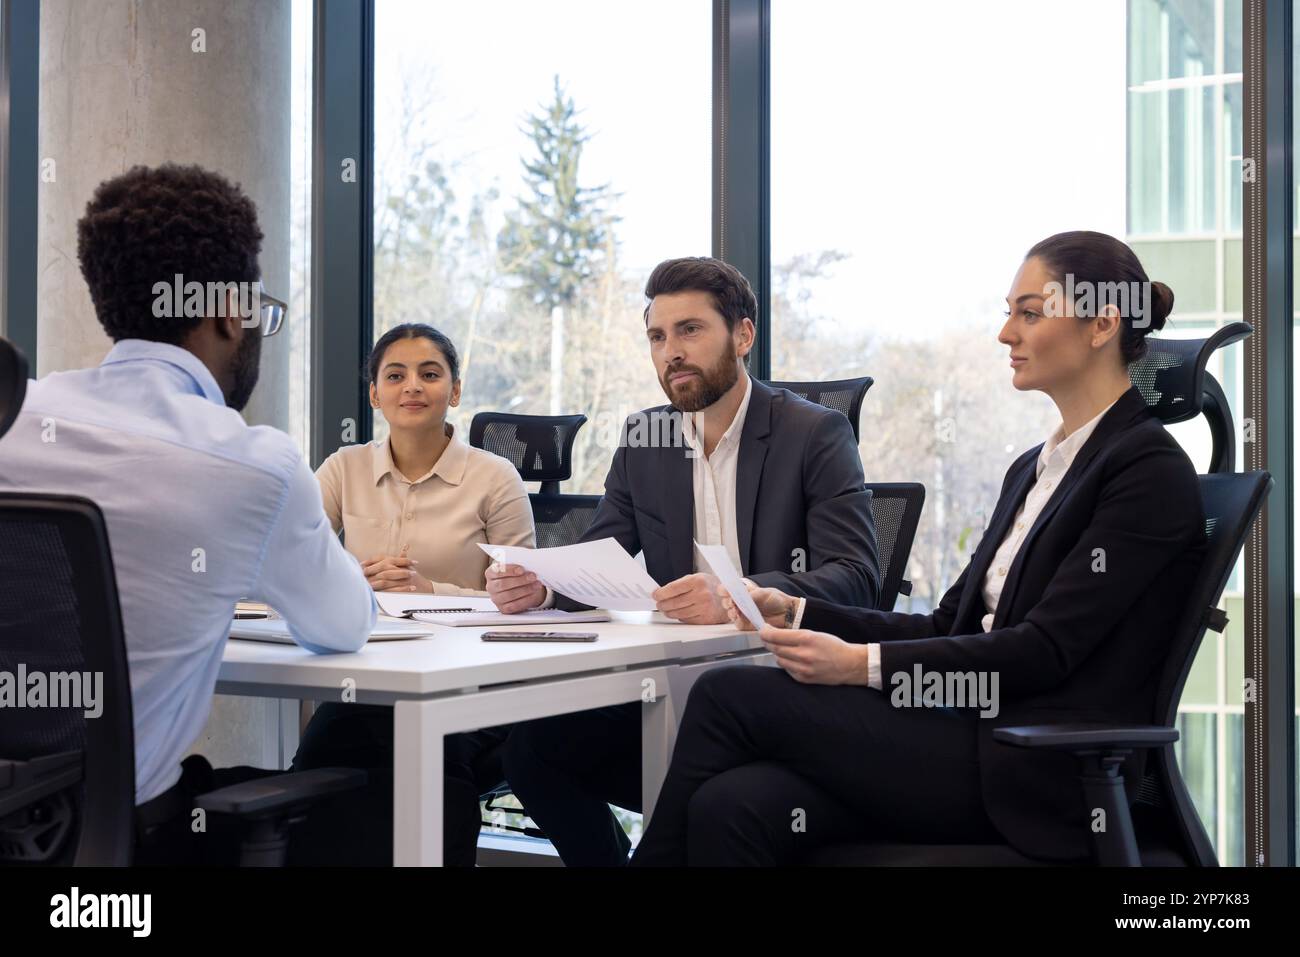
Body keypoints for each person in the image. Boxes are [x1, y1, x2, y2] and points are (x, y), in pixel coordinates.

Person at [630, 230, 1208, 866]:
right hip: (960, 735)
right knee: (733, 805)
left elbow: (1043, 652)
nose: (1006, 334)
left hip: (1030, 763)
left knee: (725, 693)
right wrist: (791, 610)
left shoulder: (1146, 470)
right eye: (1008, 313)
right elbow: (944, 623)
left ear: (1101, 324)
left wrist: (858, 665)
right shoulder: (1036, 469)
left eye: (1029, 313)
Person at [0, 164, 377, 865]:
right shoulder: (253, 463)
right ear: (231, 310)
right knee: (383, 798)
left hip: (28, 826)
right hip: (121, 846)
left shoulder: (15, 415)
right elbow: (344, 623)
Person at [488, 256, 882, 865]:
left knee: (710, 799)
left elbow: (856, 580)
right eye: (657, 336)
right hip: (671, 686)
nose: (671, 351)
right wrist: (541, 588)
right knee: (532, 751)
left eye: (690, 330)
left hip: (780, 689)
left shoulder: (815, 433)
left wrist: (739, 593)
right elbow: (605, 554)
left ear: (743, 335)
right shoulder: (646, 438)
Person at [290, 323, 535, 867]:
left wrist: (431, 591)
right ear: (374, 393)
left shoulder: (495, 478)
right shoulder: (341, 468)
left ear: (455, 390)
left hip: (470, 682)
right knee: (318, 761)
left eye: (430, 374)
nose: (413, 387)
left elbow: (523, 603)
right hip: (367, 674)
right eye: (394, 376)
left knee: (431, 762)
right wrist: (353, 580)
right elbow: (296, 565)